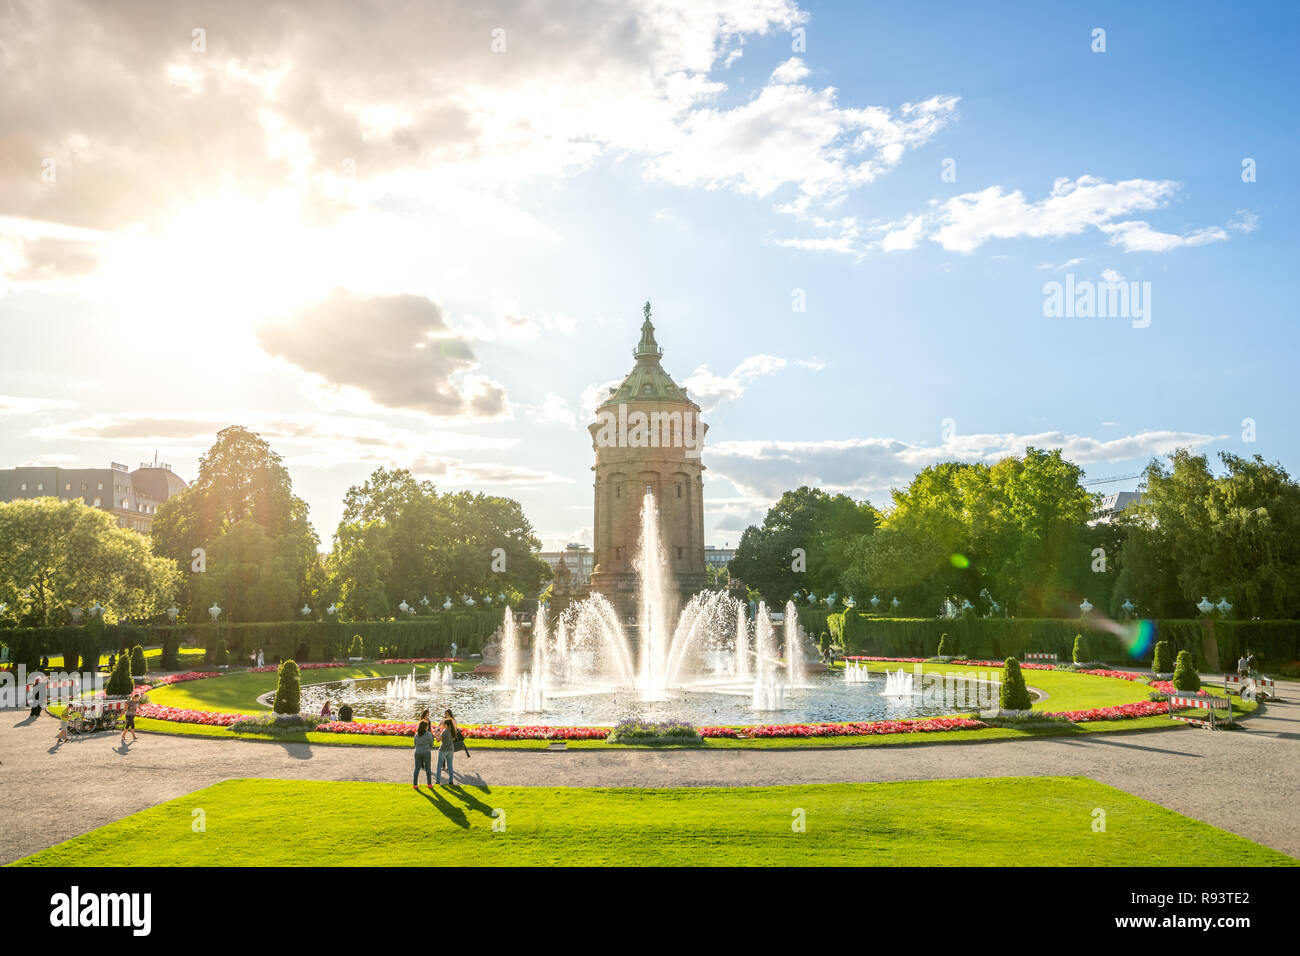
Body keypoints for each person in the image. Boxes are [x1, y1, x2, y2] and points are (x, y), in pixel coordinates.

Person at [412, 719, 434, 789]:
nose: (427, 727)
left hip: (417, 752)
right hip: (426, 752)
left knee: (417, 769)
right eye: (427, 726)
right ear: (425, 727)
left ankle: (415, 785)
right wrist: (428, 747)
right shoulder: (428, 734)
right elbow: (431, 744)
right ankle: (429, 784)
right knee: (428, 769)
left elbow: (414, 744)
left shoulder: (416, 734)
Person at [435, 717, 456, 785]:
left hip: (443, 750)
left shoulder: (445, 731)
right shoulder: (453, 731)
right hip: (451, 750)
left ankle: (438, 781)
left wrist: (436, 733)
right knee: (450, 766)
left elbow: (438, 740)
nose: (443, 725)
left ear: (447, 725)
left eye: (444, 724)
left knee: (439, 766)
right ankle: (451, 781)